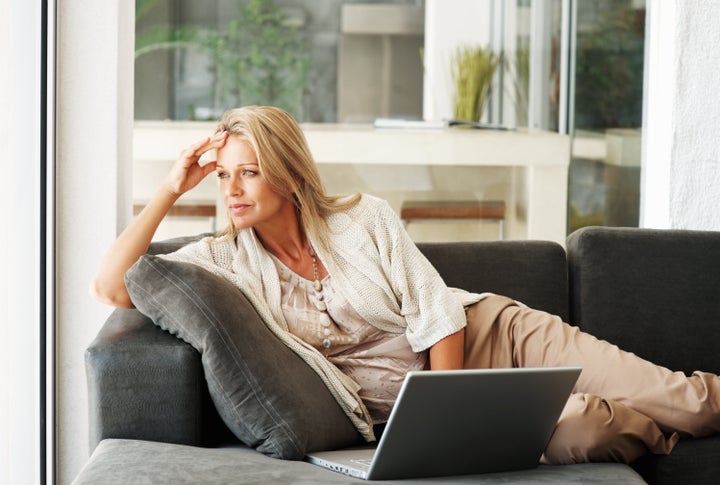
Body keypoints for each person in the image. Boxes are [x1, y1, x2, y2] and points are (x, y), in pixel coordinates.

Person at [91, 105, 720, 464]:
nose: (229, 190)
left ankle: (676, 417)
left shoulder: (363, 218)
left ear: (287, 175)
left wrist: (445, 418)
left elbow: (437, 315)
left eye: (248, 173)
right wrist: (171, 187)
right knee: (593, 431)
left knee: (688, 400)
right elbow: (114, 286)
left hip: (492, 338)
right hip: (408, 410)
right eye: (222, 175)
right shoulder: (225, 260)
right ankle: (658, 430)